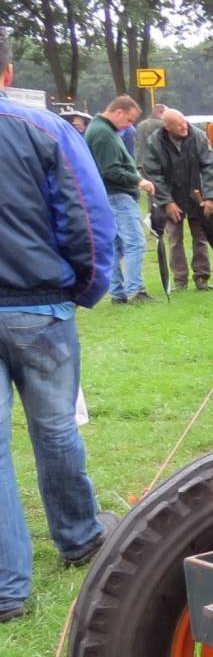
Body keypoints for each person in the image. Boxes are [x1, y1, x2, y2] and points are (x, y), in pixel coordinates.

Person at [0, 33, 117, 621]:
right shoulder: (43, 130)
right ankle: (79, 538)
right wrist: (85, 286)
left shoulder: (44, 130)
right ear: (9, 71)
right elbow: (87, 218)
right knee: (55, 430)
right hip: (38, 303)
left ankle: (6, 587)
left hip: (39, 297)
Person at [139, 105, 213, 292]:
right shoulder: (155, 142)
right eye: (178, 125)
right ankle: (180, 281)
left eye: (184, 121)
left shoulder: (198, 136)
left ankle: (202, 278)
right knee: (175, 239)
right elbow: (153, 173)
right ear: (167, 127)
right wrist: (167, 202)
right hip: (170, 195)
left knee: (200, 237)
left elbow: (210, 166)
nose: (184, 126)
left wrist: (210, 197)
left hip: (196, 195)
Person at [84, 95, 157, 304]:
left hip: (109, 195)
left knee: (117, 246)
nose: (129, 125)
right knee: (135, 242)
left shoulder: (103, 129)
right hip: (117, 195)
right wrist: (138, 181)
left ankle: (117, 292)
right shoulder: (103, 133)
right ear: (119, 112)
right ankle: (135, 291)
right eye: (129, 120)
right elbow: (111, 170)